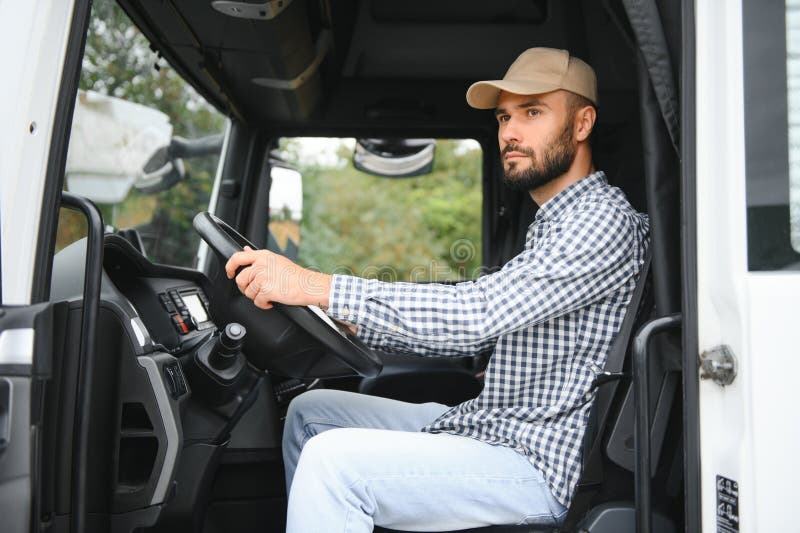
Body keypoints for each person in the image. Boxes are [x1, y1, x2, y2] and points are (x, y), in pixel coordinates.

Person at [225, 47, 649, 532]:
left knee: (332, 463)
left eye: (533, 113)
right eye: (504, 116)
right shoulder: (556, 223)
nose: (510, 132)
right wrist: (349, 323)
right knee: (310, 413)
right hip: (497, 425)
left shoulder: (599, 222)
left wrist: (314, 285)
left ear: (582, 123)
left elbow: (477, 314)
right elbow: (489, 322)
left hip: (537, 462)